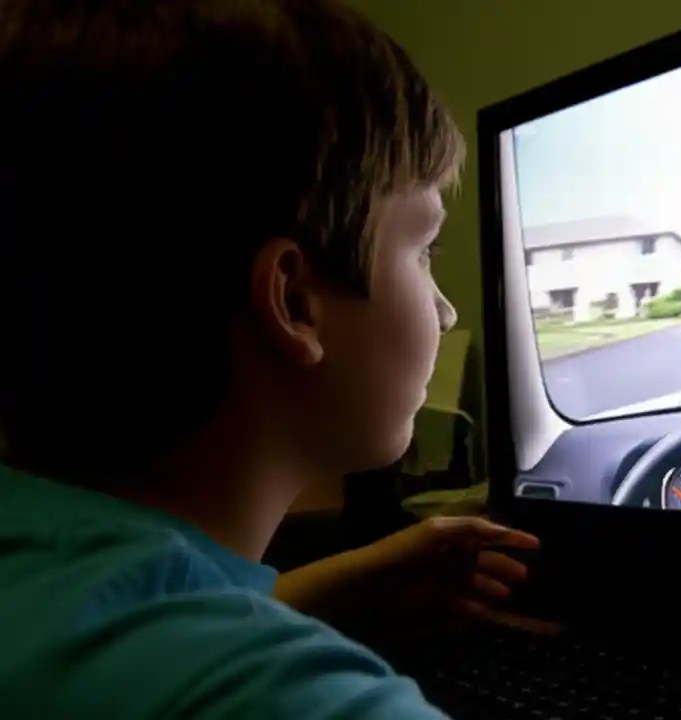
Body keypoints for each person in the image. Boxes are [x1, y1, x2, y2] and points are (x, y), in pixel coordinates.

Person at [0, 1, 537, 717]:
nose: (446, 310)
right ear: (295, 304)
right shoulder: (298, 699)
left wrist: (313, 593)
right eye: (424, 249)